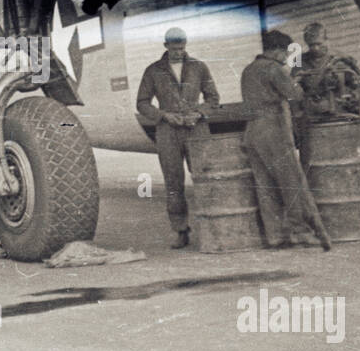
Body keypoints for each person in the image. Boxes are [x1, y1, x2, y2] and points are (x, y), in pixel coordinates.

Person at [240, 30, 332, 251]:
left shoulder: (248, 70)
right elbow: (295, 95)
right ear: (276, 51)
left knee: (265, 186)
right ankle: (301, 233)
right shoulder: (274, 69)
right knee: (292, 183)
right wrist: (296, 81)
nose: (286, 58)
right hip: (274, 131)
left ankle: (275, 236)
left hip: (252, 132)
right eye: (284, 53)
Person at [135, 26, 221, 248]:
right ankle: (181, 230)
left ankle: (215, 227)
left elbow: (213, 98)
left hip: (196, 130)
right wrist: (164, 116)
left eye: (181, 48)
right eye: (174, 49)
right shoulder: (153, 71)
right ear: (166, 46)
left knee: (205, 177)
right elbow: (142, 103)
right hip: (168, 133)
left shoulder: (199, 68)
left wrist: (199, 113)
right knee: (174, 183)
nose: (178, 53)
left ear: (186, 45)